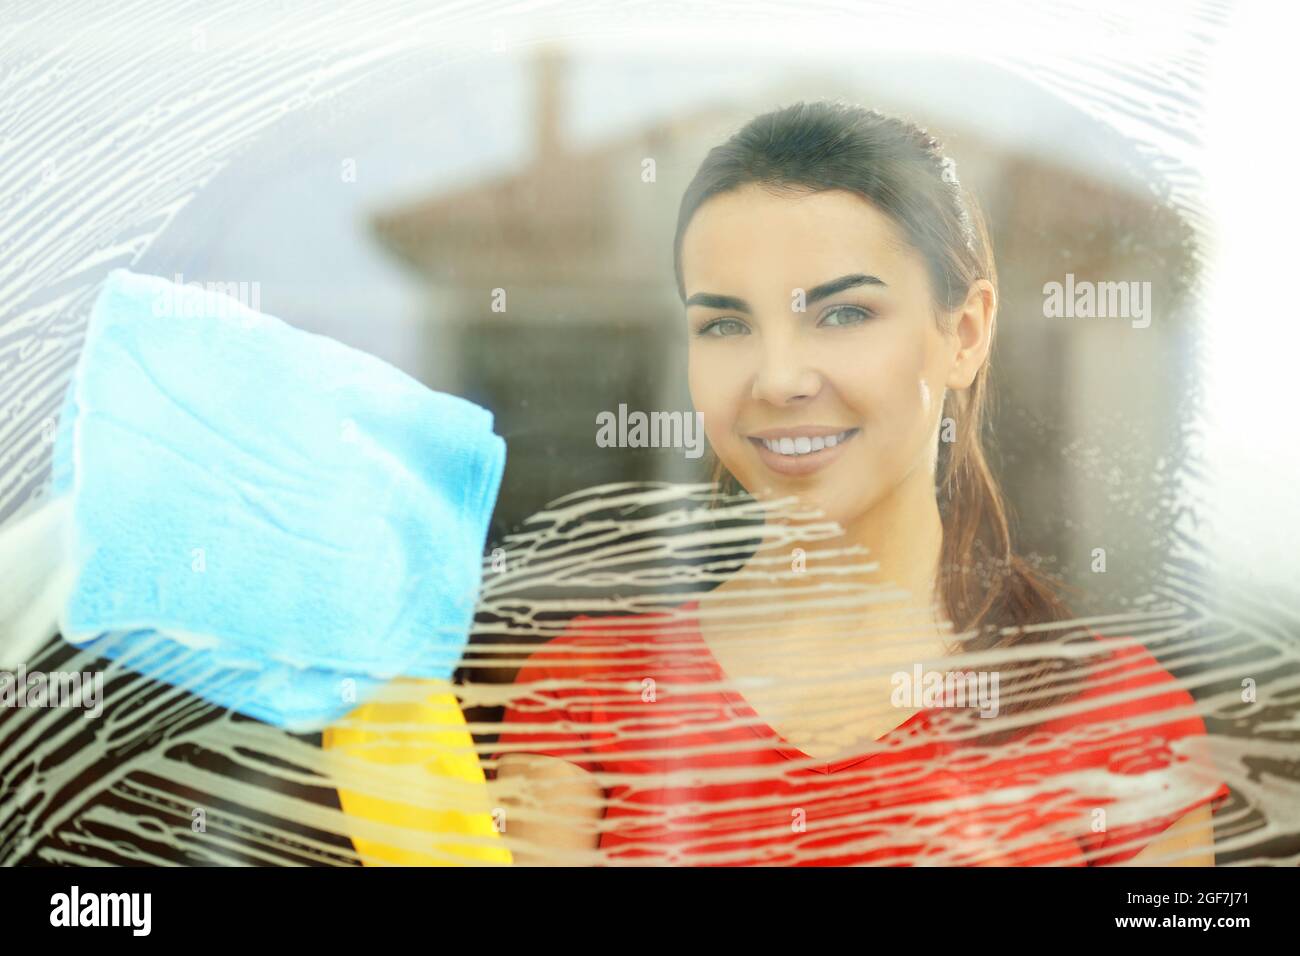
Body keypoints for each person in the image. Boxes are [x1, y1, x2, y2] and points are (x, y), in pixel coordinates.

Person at [489, 101, 1228, 866]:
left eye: (842, 314)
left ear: (965, 335)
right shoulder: (585, 699)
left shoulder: (1117, 720)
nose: (777, 380)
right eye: (726, 325)